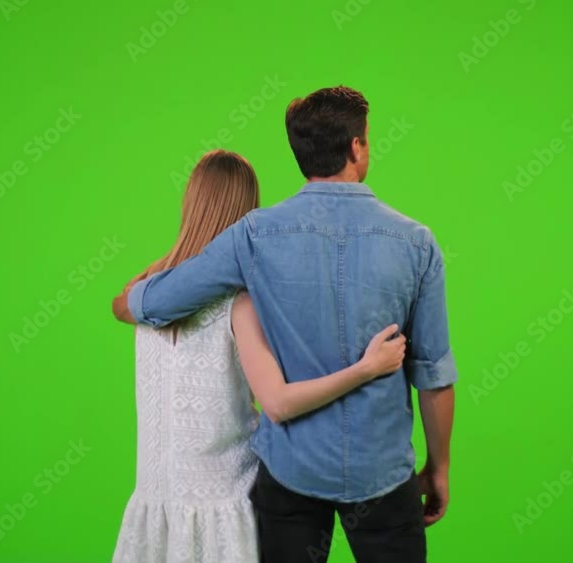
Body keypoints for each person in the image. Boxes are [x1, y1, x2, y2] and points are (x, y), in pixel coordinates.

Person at [113, 86, 457, 563]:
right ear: (356, 147)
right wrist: (439, 468)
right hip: (382, 474)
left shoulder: (254, 235)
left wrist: (129, 301)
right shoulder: (416, 242)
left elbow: (160, 300)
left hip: (290, 474)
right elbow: (434, 376)